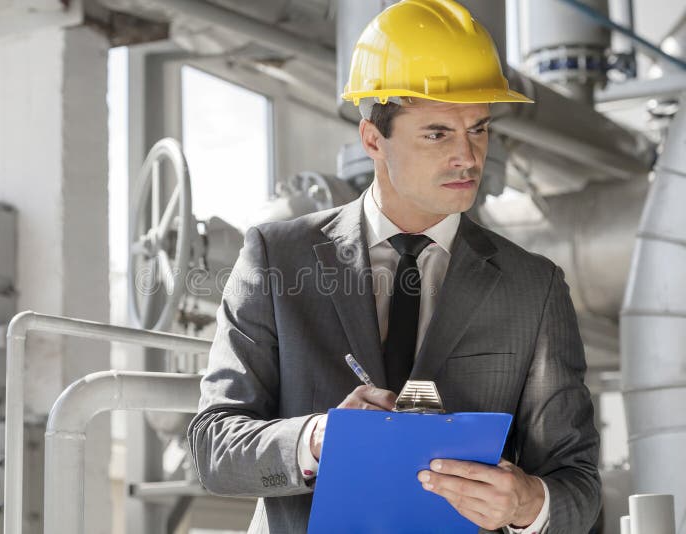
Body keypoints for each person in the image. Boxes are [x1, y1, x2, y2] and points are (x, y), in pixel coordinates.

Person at [187, 1, 601, 532]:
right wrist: (317, 438)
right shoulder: (276, 257)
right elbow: (214, 447)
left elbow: (579, 480)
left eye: (478, 129)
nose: (468, 157)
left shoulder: (532, 288)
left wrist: (527, 504)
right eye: (437, 133)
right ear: (372, 139)